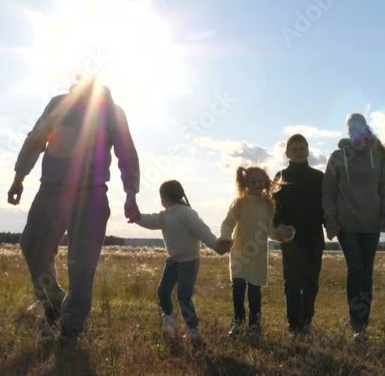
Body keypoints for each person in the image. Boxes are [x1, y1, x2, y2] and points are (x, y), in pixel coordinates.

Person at [7, 75, 141, 347]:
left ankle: (70, 327)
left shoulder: (113, 113)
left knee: (82, 263)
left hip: (91, 194)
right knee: (32, 244)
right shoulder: (58, 104)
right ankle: (55, 302)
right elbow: (36, 139)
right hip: (52, 190)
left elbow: (126, 153)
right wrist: (19, 177)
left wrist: (130, 193)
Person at [322, 113, 385, 342]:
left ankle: (363, 324)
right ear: (347, 131)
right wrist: (331, 222)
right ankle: (356, 323)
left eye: (359, 126)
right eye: (350, 127)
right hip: (347, 225)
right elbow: (328, 192)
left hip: (371, 225)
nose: (355, 131)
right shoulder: (337, 157)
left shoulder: (378, 156)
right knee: (356, 269)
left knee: (367, 273)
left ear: (366, 128)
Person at [132, 179, 225, 346]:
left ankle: (193, 329)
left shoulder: (186, 213)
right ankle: (169, 318)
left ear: (164, 198)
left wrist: (216, 246)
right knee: (163, 291)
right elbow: (150, 220)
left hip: (189, 262)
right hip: (173, 261)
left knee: (183, 295)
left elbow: (201, 231)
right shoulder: (165, 215)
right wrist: (137, 218)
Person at [218, 166, 294, 337]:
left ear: (265, 182)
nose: (257, 184)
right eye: (252, 181)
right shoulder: (239, 203)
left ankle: (254, 325)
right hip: (238, 252)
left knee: (254, 292)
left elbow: (270, 230)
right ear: (245, 183)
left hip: (258, 255)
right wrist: (225, 238)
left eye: (260, 181)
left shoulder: (269, 205)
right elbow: (227, 223)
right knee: (237, 288)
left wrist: (282, 235)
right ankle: (238, 323)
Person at [272, 134, 326, 338]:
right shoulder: (280, 176)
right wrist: (277, 228)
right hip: (290, 240)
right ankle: (294, 325)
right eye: (295, 149)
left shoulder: (319, 177)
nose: (299, 151)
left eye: (302, 148)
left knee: (311, 282)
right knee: (292, 283)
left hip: (313, 237)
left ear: (308, 150)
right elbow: (274, 208)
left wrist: (330, 225)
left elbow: (325, 206)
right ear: (287, 153)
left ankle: (306, 322)